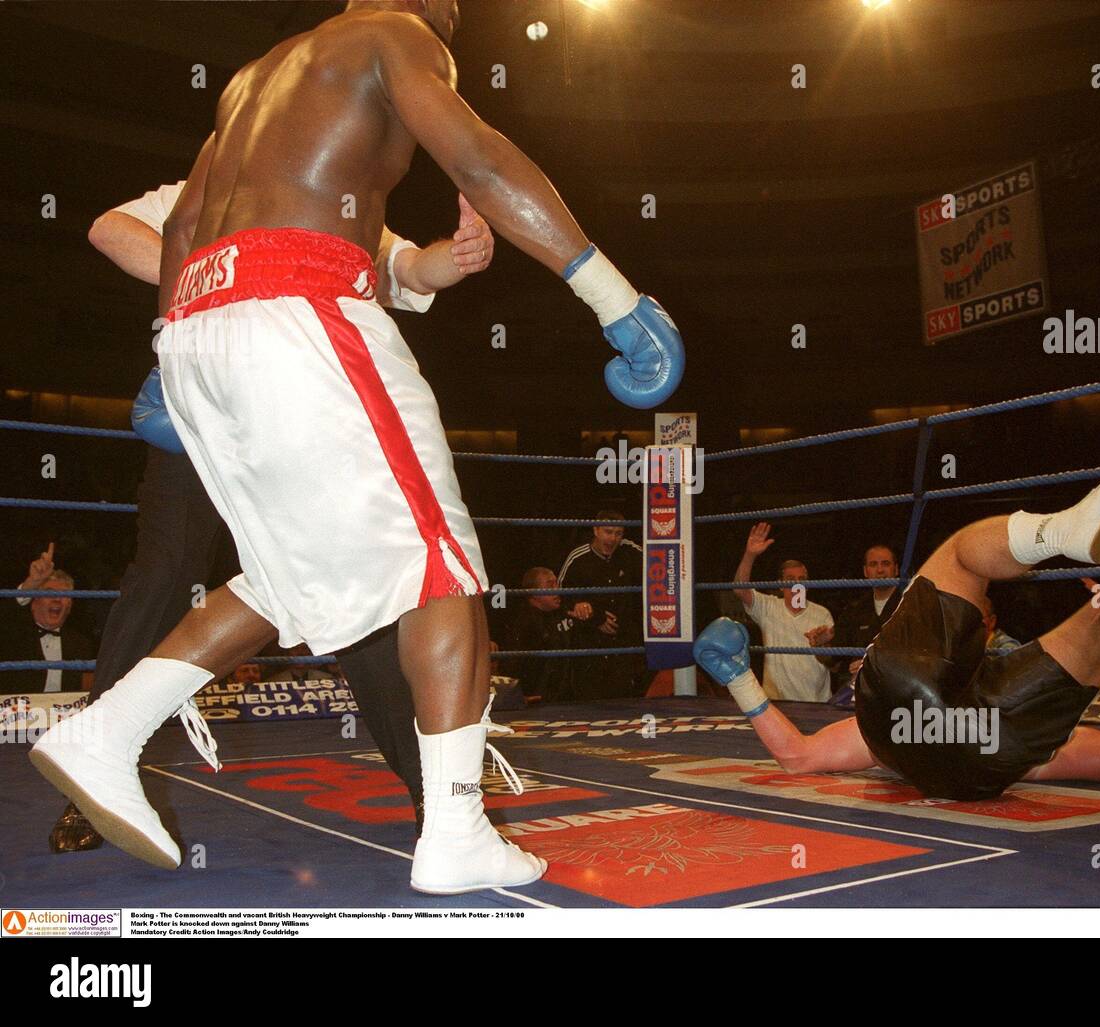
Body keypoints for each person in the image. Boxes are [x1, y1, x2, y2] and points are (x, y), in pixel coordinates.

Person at [31, 0, 683, 895]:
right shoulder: (394, 36)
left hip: (201, 329)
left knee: (288, 578)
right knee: (444, 565)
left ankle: (106, 731)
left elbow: (184, 231)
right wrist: (616, 299)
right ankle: (455, 830)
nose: (457, 12)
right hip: (302, 316)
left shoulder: (257, 79)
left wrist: (173, 350)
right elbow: (483, 158)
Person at [45, 178, 496, 854]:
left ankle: (434, 792)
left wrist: (455, 255)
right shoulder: (210, 188)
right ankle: (92, 778)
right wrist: (207, 276)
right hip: (207, 414)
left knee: (370, 587)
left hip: (303, 416)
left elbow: (406, 270)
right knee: (164, 573)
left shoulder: (343, 200)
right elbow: (109, 228)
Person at [694, 416, 1100, 800]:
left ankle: (1068, 529)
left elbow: (797, 756)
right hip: (989, 745)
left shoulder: (879, 733)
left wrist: (738, 677)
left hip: (923, 735)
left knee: (983, 562)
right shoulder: (1028, 721)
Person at [732, 523, 835, 702]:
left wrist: (819, 645)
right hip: (777, 703)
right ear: (780, 584)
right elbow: (740, 590)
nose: (797, 584)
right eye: (790, 579)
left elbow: (829, 661)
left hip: (817, 703)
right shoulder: (769, 607)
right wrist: (750, 555)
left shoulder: (822, 613)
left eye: (802, 579)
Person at [557, 512, 646, 699]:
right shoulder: (578, 558)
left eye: (618, 533)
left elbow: (660, 567)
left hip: (625, 638)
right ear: (595, 530)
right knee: (591, 697)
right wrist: (584, 610)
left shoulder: (631, 551)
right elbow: (560, 596)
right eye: (608, 532)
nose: (613, 538)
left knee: (627, 698)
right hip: (590, 638)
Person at [2, 546, 95, 695]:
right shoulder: (11, 632)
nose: (57, 599)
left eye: (64, 595)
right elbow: (6, 613)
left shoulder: (80, 644)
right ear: (34, 602)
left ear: (70, 606)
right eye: (49, 592)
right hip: (16, 714)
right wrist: (31, 583)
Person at [500, 567, 587, 701]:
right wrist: (518, 695)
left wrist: (588, 614)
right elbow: (513, 664)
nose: (556, 589)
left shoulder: (565, 610)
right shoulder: (523, 624)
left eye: (556, 583)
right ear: (534, 593)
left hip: (569, 694)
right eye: (549, 585)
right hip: (537, 697)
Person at [828, 543, 903, 695]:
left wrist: (870, 666)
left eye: (886, 564)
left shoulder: (911, 605)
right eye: (874, 564)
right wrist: (821, 644)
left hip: (899, 693)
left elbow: (924, 658)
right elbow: (833, 661)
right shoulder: (855, 610)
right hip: (861, 696)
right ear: (866, 571)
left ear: (896, 569)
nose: (880, 570)